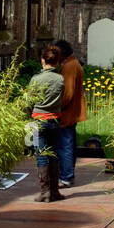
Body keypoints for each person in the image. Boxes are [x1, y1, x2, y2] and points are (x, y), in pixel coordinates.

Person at [24, 45, 65, 203]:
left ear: (43, 60)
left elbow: (29, 101)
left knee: (41, 155)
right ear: (57, 62)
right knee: (54, 154)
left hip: (38, 121)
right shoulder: (60, 79)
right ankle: (55, 191)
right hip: (55, 120)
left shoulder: (36, 79)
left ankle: (44, 192)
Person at [50, 38, 86, 188]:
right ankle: (67, 175)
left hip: (67, 112)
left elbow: (67, 93)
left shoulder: (70, 67)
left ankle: (66, 177)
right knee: (68, 143)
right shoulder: (73, 64)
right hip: (71, 111)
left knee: (65, 144)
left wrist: (55, 107)